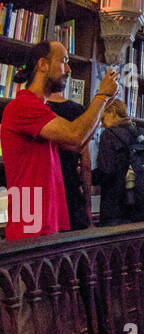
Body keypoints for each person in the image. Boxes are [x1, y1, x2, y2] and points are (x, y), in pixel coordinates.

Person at [0, 40, 118, 239]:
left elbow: (77, 144)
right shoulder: (23, 106)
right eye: (64, 61)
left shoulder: (40, 108)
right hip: (31, 222)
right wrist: (102, 96)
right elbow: (75, 133)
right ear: (43, 65)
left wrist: (104, 103)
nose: (69, 69)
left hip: (44, 218)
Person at [95, 99, 144, 224]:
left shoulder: (108, 135)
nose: (102, 124)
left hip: (118, 210)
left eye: (102, 118)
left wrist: (83, 176)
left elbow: (106, 171)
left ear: (112, 112)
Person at [46, 89, 90, 229]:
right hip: (70, 187)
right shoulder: (78, 111)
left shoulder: (40, 108)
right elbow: (86, 164)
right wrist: (87, 202)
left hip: (41, 190)